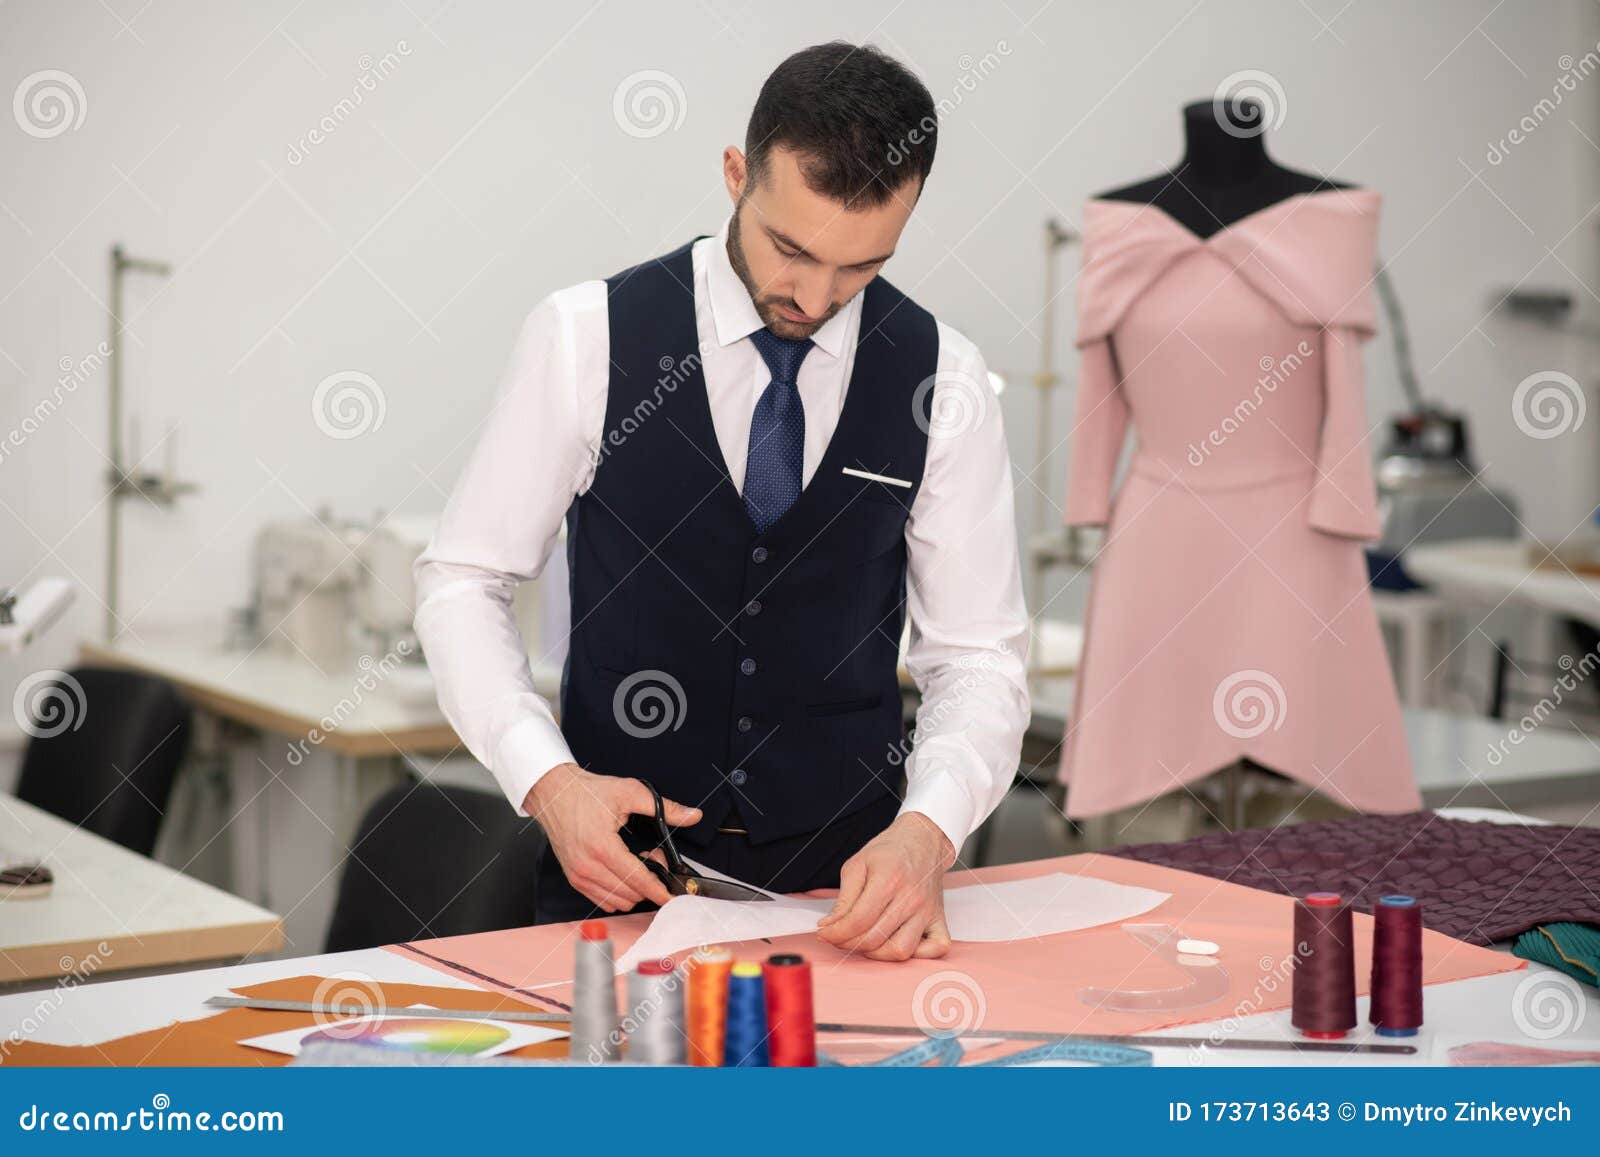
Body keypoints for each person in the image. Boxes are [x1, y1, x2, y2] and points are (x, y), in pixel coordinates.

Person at [415, 41, 1028, 962]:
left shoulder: (945, 377)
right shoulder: (586, 336)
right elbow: (462, 581)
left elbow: (979, 657)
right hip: (617, 883)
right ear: (737, 175)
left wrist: (929, 830)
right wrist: (548, 782)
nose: (816, 297)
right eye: (792, 249)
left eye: (860, 267)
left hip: (851, 900)